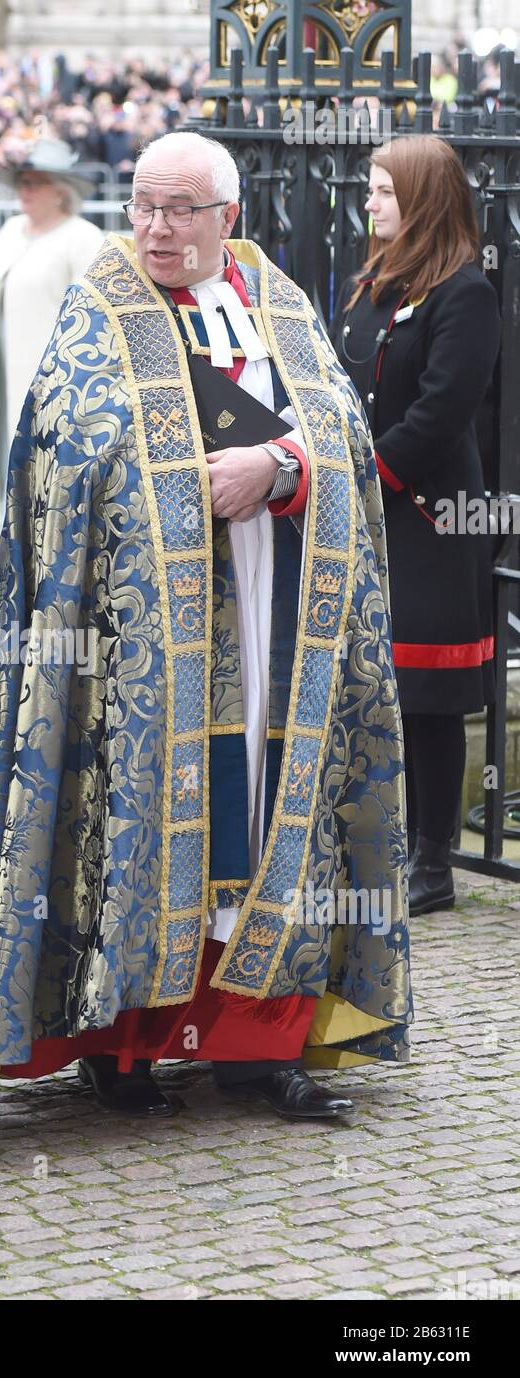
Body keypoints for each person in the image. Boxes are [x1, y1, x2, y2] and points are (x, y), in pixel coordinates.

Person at [0, 131, 412, 1119]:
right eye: (143, 205)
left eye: (179, 208)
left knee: (273, 807)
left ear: (227, 215)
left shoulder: (280, 301)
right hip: (141, 645)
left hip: (280, 616)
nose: (155, 227)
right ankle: (126, 1042)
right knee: (139, 824)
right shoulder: (102, 307)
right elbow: (56, 458)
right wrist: (183, 482)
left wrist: (275, 472)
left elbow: (343, 435)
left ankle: (258, 1045)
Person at [333, 135, 501, 916]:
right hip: (369, 509)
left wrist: (368, 476)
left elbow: (442, 411)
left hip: (430, 517)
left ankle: (431, 863)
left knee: (428, 694)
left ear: (422, 200)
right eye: (369, 190)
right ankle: (379, 841)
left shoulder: (464, 291)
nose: (368, 203)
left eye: (382, 192)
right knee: (373, 688)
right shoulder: (371, 283)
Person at [0, 137, 104, 517]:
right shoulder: (11, 232)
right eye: (21, 182)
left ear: (60, 192)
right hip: (2, 373)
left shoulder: (83, 239)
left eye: (34, 183)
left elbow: (93, 317)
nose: (24, 190)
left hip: (54, 383)